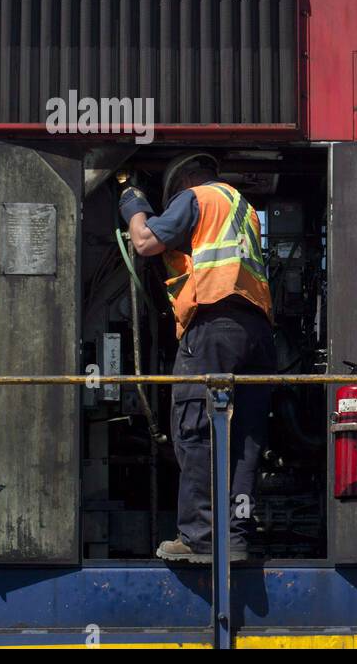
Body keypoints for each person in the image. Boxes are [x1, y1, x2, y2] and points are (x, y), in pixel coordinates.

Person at [118, 152, 276, 563]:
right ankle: (236, 537)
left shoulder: (197, 198)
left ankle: (199, 538)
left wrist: (135, 208)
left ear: (185, 181)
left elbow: (144, 242)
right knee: (244, 439)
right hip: (257, 333)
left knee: (196, 428)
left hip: (213, 328)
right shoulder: (243, 208)